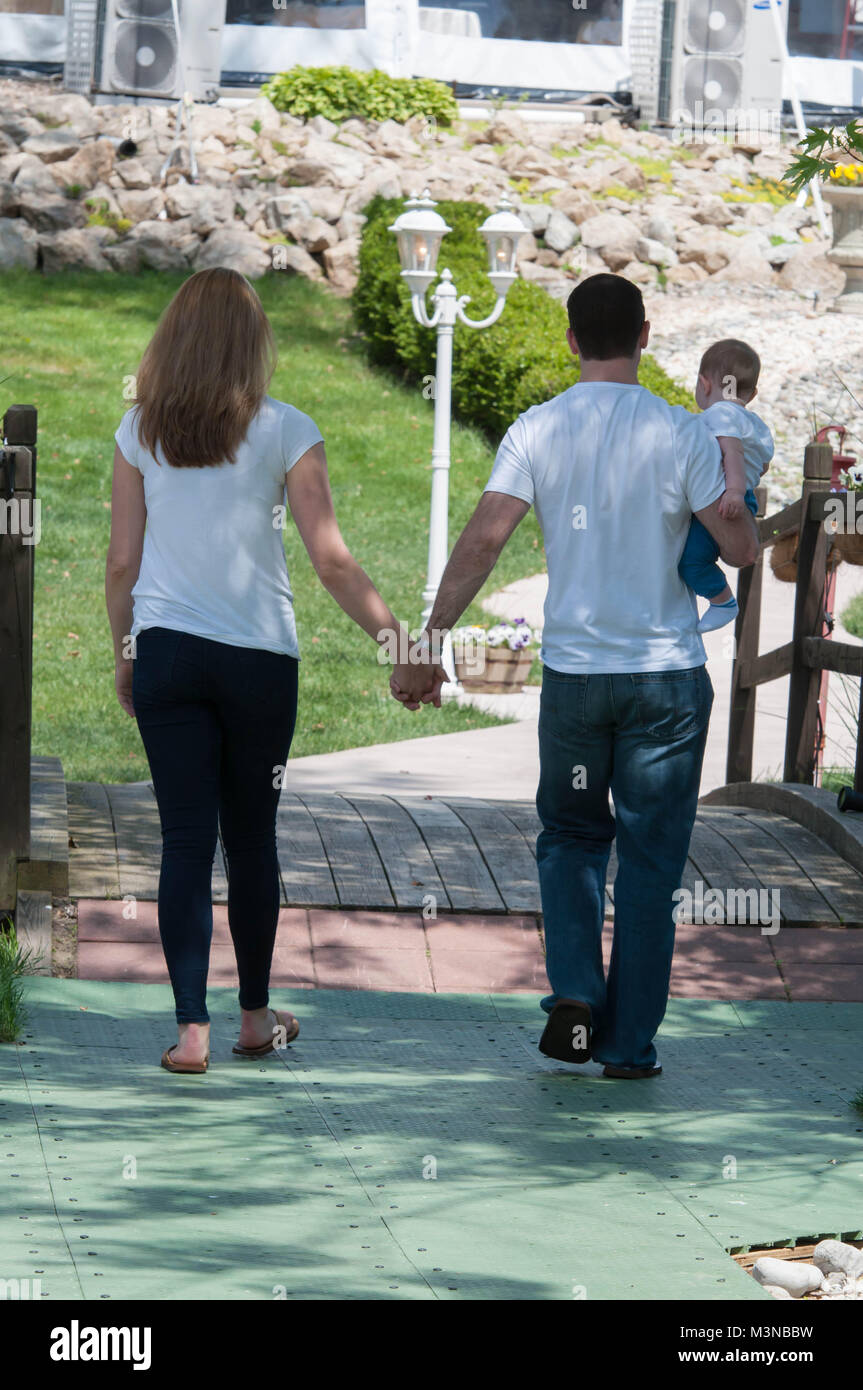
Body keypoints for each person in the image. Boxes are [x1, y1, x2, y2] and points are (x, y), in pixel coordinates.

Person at [391, 273, 759, 1079]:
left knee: (569, 838)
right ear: (646, 335)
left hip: (575, 681)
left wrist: (429, 639)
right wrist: (741, 503)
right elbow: (736, 551)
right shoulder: (679, 432)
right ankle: (628, 1049)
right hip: (664, 677)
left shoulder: (537, 428)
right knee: (652, 865)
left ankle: (576, 994)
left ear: (568, 340)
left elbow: (485, 539)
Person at [106, 268, 408, 1074]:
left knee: (181, 841)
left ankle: (188, 1034)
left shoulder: (139, 432)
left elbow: (120, 564)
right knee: (250, 842)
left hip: (167, 651)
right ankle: (252, 1017)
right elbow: (332, 561)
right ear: (254, 345)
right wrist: (397, 645)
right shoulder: (286, 430)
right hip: (259, 664)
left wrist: (125, 652)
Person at [678, 338, 774, 634]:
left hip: (725, 498)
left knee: (691, 561)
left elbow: (732, 452)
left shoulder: (719, 414)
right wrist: (741, 488)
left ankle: (722, 601)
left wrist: (732, 490)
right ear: (753, 392)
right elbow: (762, 465)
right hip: (743, 497)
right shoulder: (757, 425)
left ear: (703, 384)